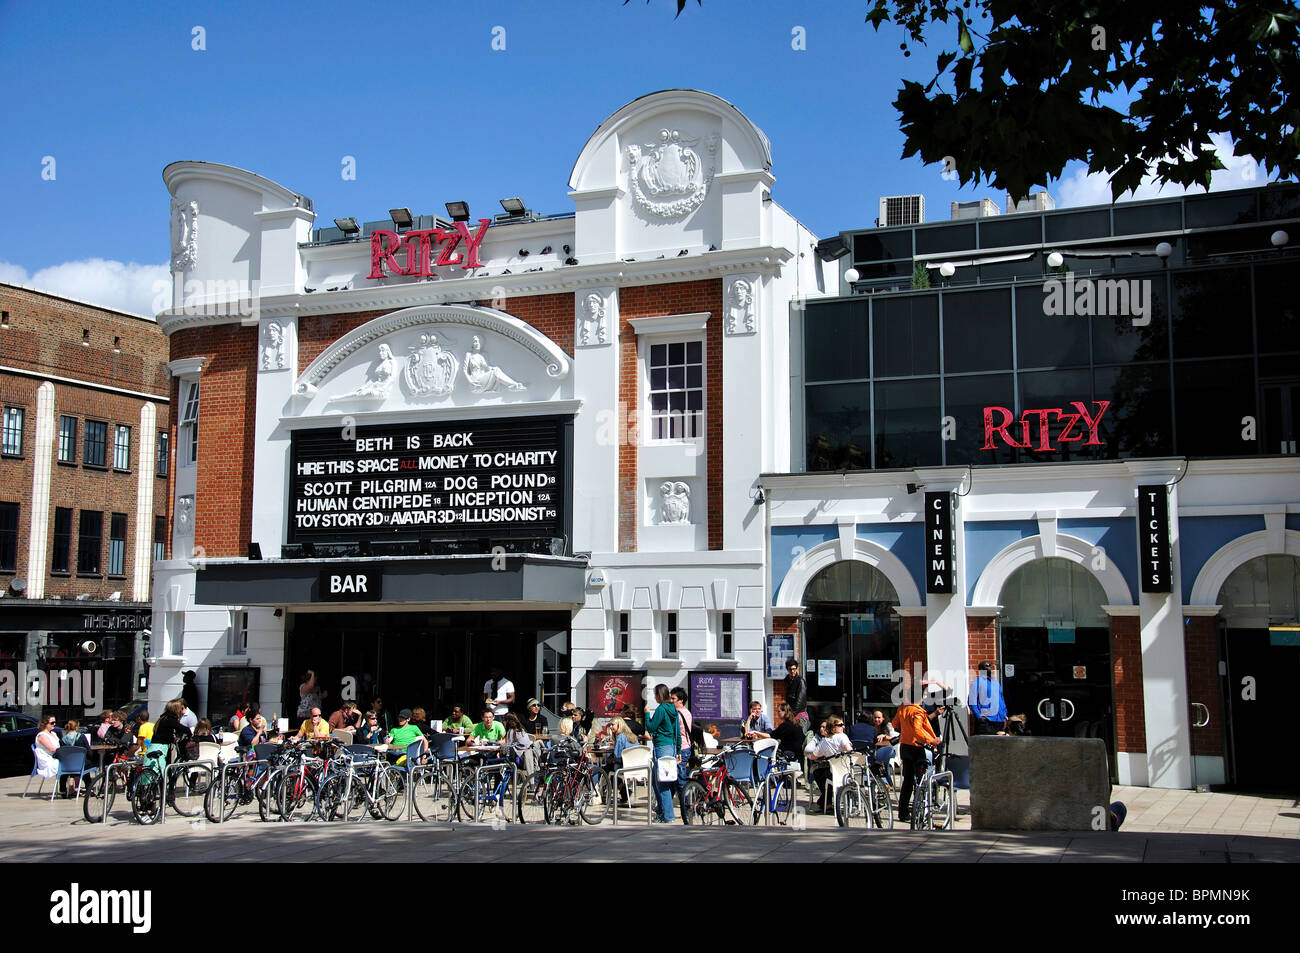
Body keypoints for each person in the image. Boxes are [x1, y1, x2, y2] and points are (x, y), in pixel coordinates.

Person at [892, 693, 941, 824]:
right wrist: (932, 740)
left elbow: (894, 723)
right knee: (921, 780)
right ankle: (919, 811)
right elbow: (918, 730)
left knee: (907, 781)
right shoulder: (917, 711)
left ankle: (903, 813)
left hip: (904, 746)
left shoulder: (902, 708)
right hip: (916, 747)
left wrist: (905, 729)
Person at [646, 685, 681, 823]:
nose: (654, 697)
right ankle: (661, 813)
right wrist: (677, 749)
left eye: (655, 695)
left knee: (662, 783)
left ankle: (668, 816)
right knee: (656, 782)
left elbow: (651, 727)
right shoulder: (673, 709)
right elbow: (677, 731)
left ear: (659, 695)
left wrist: (647, 713)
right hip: (671, 747)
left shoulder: (661, 709)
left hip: (661, 747)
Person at [805, 714, 852, 811]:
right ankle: (826, 801)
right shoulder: (842, 736)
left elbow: (813, 756)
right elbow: (849, 750)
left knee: (818, 772)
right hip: (847, 772)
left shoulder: (824, 742)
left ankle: (826, 802)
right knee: (822, 773)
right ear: (833, 727)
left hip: (834, 774)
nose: (843, 726)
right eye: (840, 725)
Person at [967, 661, 1008, 735]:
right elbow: (971, 701)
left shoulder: (996, 683)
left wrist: (1004, 715)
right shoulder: (977, 683)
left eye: (990, 666)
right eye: (987, 666)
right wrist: (979, 716)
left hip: (999, 721)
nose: (990, 668)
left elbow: (1001, 700)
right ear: (981, 669)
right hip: (986, 722)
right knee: (985, 745)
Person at [150, 699, 194, 765]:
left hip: (155, 745)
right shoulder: (170, 720)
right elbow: (183, 729)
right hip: (161, 747)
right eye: (181, 709)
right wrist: (190, 734)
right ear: (176, 709)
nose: (182, 711)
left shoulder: (163, 718)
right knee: (163, 767)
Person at [34, 715, 61, 788]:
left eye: (55, 722)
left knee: (74, 761)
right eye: (52, 723)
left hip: (55, 756)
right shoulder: (42, 736)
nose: (54, 724)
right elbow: (52, 749)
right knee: (68, 764)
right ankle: (66, 789)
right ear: (45, 724)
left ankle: (72, 788)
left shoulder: (53, 733)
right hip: (47, 760)